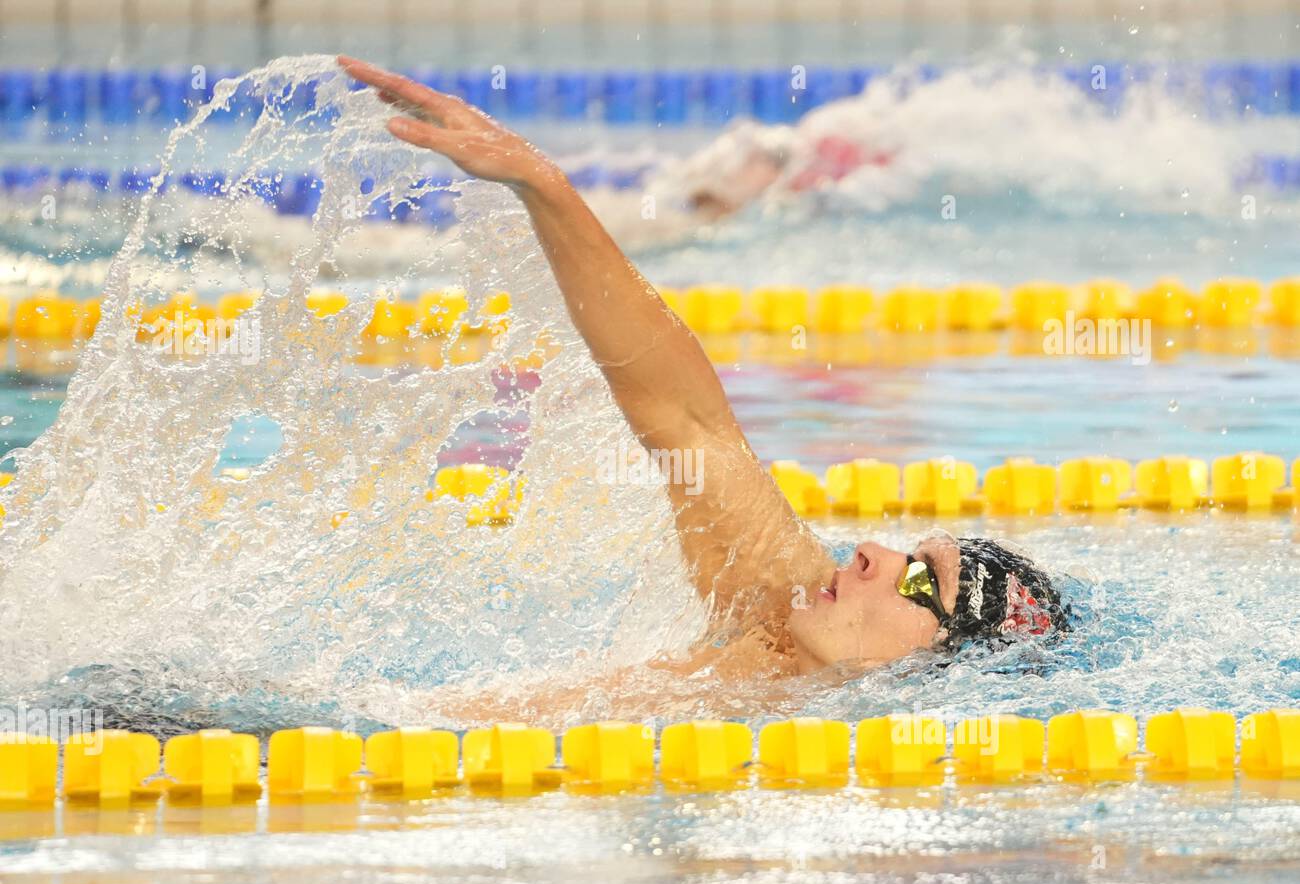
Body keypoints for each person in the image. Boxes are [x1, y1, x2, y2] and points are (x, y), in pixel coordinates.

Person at [337, 57, 1069, 699]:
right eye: (910, 555)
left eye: (917, 581)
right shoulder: (779, 609)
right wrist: (545, 186)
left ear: (948, 663)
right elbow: (682, 413)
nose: (873, 551)